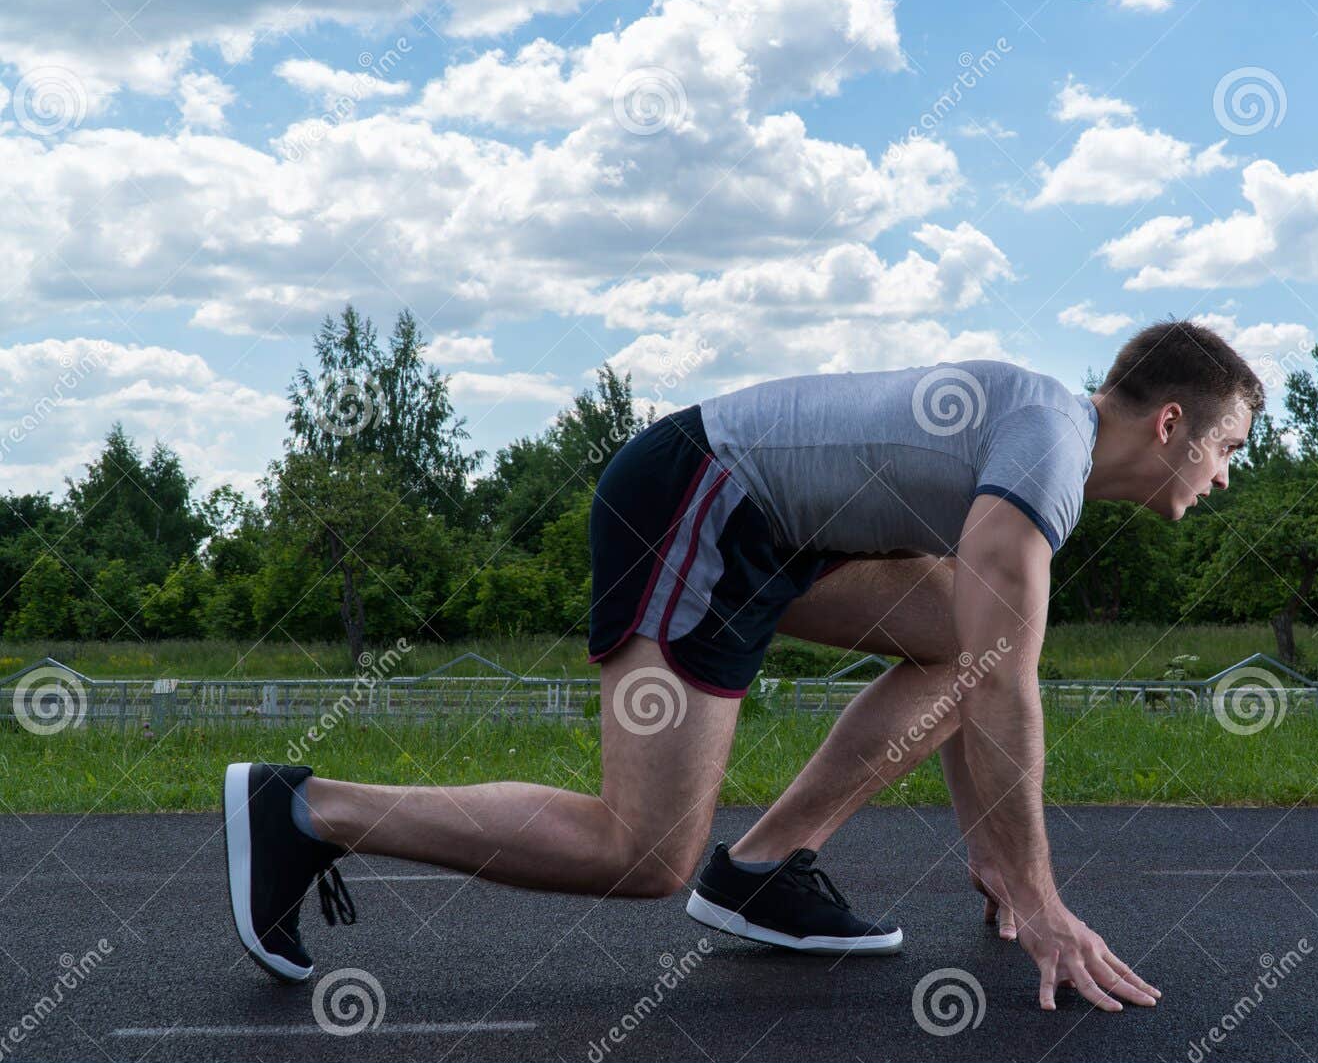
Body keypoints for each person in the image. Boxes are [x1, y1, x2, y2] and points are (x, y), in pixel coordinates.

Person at [222, 319, 1262, 1012]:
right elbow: (1007, 683)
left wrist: (999, 853)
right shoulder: (1047, 447)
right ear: (1169, 423)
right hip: (699, 498)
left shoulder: (1040, 437)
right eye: (1228, 448)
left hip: (770, 526)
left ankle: (763, 870)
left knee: (960, 634)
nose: (1224, 476)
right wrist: (1038, 901)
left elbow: (974, 654)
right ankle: (309, 809)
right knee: (638, 852)